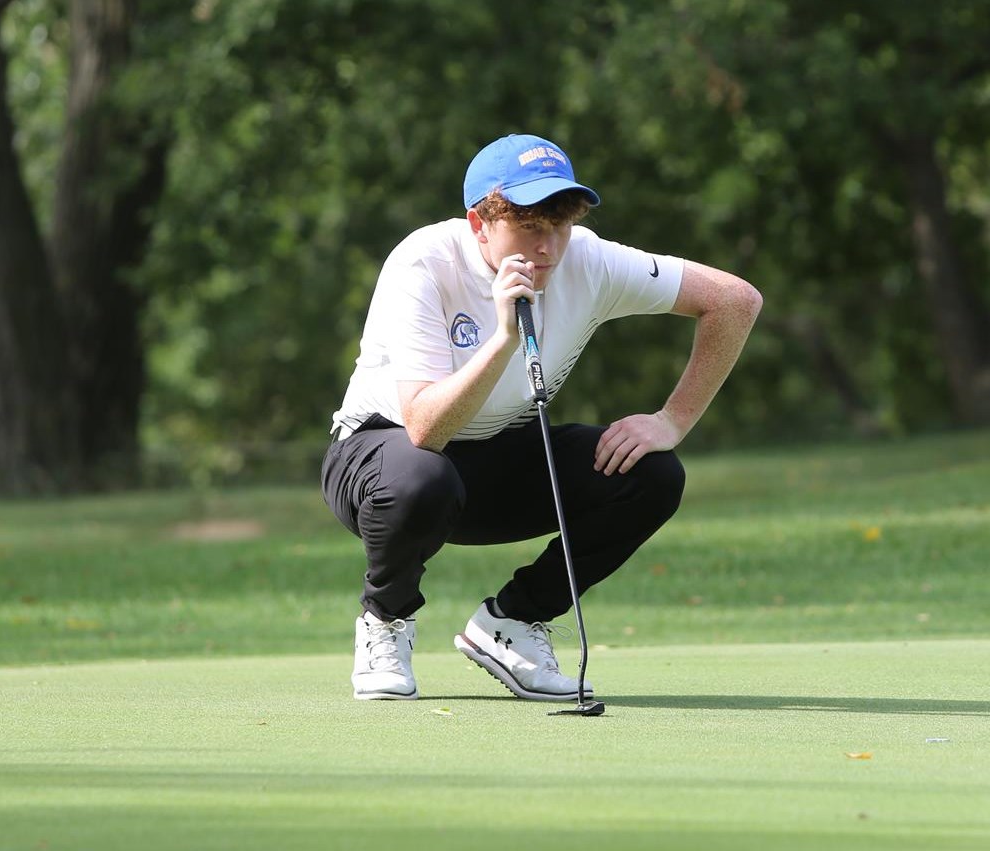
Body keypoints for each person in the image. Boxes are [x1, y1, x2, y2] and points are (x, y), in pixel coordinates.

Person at [322, 133, 762, 701]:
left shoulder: (589, 260)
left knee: (653, 473)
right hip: (381, 458)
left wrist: (671, 421)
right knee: (422, 477)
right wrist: (503, 337)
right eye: (530, 228)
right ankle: (386, 619)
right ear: (479, 223)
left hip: (497, 456)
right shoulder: (424, 263)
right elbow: (425, 429)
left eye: (560, 225)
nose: (549, 248)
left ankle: (513, 622)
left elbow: (735, 300)